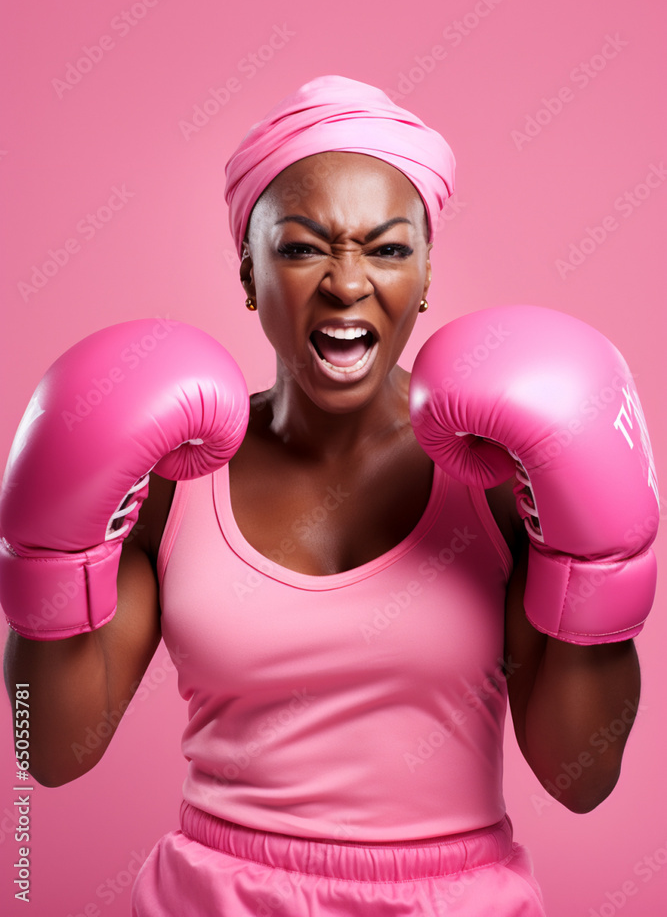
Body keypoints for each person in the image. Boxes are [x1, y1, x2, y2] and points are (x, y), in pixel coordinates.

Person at [1, 76, 657, 916]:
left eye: (387, 250)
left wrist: (598, 566)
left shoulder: (500, 477)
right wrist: (47, 561)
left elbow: (579, 778)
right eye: (301, 248)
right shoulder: (172, 479)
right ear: (248, 271)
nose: (346, 284)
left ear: (425, 274)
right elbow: (47, 750)